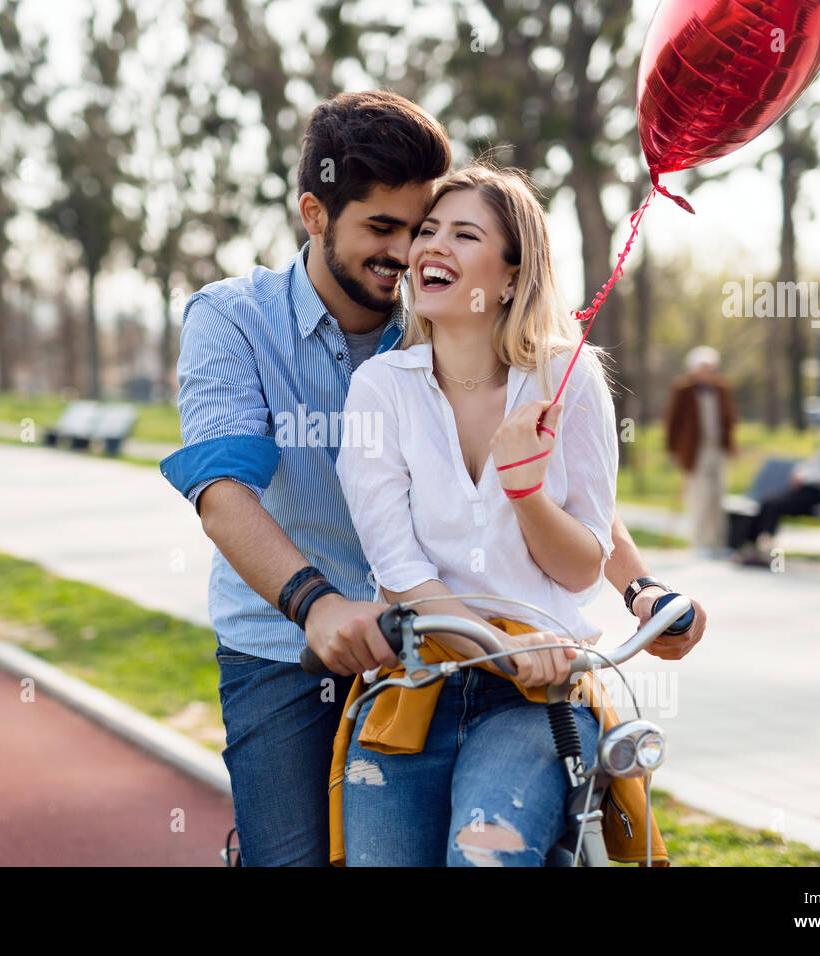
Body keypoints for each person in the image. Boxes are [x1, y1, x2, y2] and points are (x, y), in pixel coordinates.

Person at [160, 90, 706, 867]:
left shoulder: (446, 323)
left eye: (420, 228)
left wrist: (640, 589)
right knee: (294, 858)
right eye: (382, 228)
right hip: (292, 641)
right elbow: (222, 495)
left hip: (465, 648)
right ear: (315, 215)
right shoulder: (234, 320)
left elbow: (541, 487)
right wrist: (316, 606)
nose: (408, 251)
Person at [331, 160, 666, 866]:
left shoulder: (568, 381)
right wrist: (499, 646)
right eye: (427, 232)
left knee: (484, 857)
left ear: (511, 276)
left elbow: (582, 568)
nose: (430, 248)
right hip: (413, 686)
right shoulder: (379, 390)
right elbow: (398, 571)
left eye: (462, 234)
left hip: (537, 701)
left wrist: (526, 492)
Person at [735, 405, 820, 567]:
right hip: (812, 495)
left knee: (774, 505)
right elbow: (808, 465)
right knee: (768, 503)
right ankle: (751, 548)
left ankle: (769, 554)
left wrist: (804, 477)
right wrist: (802, 475)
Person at [664, 346, 737, 558]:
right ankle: (700, 543)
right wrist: (673, 451)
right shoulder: (683, 389)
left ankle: (719, 543)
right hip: (695, 451)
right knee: (700, 497)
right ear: (695, 369)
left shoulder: (721, 388)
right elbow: (672, 422)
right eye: (706, 368)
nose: (711, 372)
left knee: (718, 496)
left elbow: (730, 418)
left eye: (713, 368)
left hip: (718, 448)